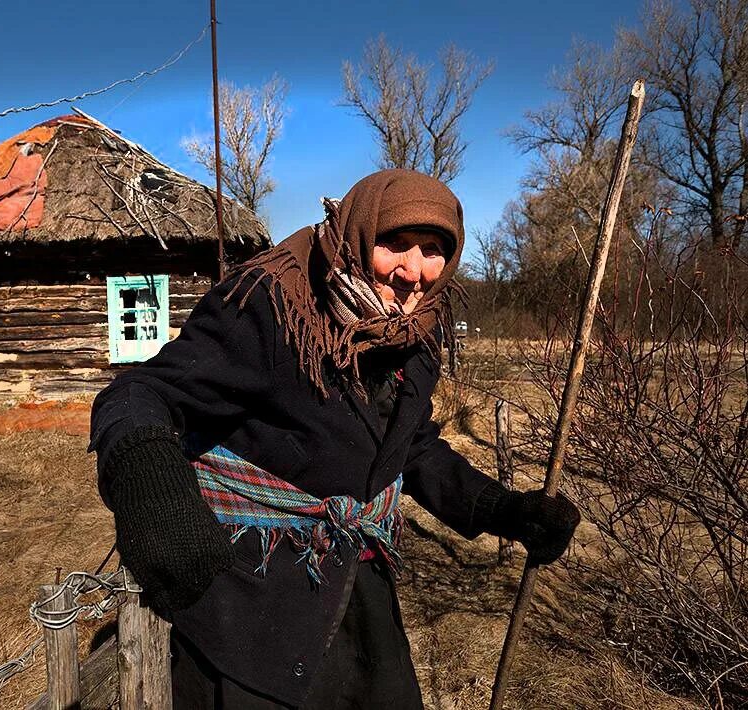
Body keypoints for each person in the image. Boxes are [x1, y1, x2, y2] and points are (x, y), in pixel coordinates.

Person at [89, 169, 580, 709]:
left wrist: (503, 510)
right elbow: (140, 393)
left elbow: (410, 447)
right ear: (358, 233)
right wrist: (150, 480)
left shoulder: (415, 334)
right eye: (395, 243)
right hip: (251, 604)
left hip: (358, 593)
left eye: (434, 250)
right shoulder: (273, 305)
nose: (413, 271)